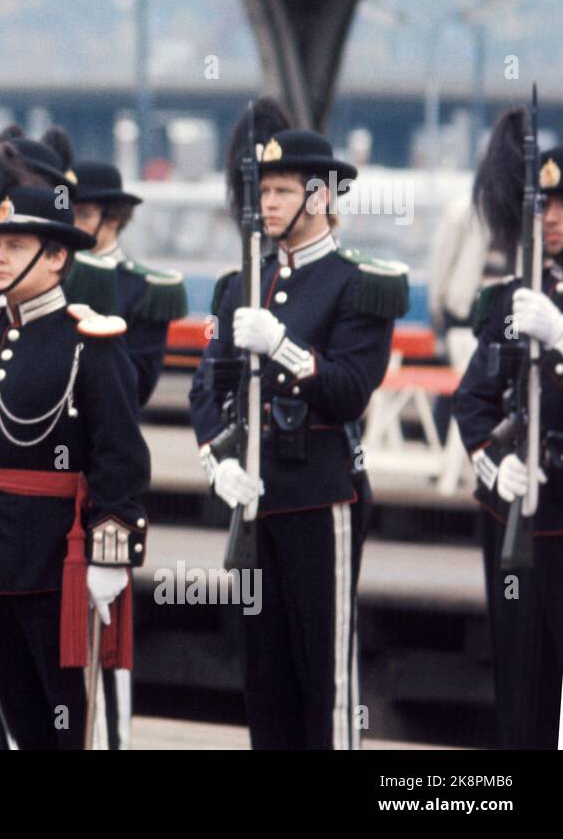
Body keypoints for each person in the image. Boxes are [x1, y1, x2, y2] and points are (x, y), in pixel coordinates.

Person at [188, 125, 408, 750]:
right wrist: (215, 464)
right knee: (264, 676)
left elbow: (347, 391)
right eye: (264, 190)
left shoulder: (357, 282)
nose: (269, 203)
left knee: (325, 672)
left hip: (319, 497)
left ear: (320, 197)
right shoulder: (238, 285)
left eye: (284, 190)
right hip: (255, 500)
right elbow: (207, 389)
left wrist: (282, 347)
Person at [0, 185, 149, 749]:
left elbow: (119, 459)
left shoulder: (90, 343)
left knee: (75, 723)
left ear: (57, 257)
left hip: (61, 566)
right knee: (15, 719)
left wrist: (112, 552)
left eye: (16, 243)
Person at [453, 115, 563, 749]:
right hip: (516, 517)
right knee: (519, 696)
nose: (548, 218)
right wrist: (495, 463)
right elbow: (473, 403)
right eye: (540, 205)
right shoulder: (509, 300)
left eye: (560, 206)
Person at [71, 160, 187, 407]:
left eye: (83, 215)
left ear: (113, 218)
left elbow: (138, 389)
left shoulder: (144, 289)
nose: (71, 224)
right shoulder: (50, 277)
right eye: (66, 213)